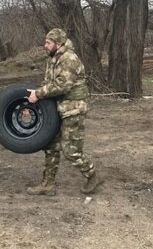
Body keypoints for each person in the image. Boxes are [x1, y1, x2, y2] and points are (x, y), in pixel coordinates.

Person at [25, 28, 103, 195]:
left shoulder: (69, 59)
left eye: (48, 43)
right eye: (45, 42)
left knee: (70, 150)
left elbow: (62, 85)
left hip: (73, 109)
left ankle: (92, 175)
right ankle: (48, 185)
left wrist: (38, 94)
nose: (45, 45)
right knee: (51, 146)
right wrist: (32, 104)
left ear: (58, 44)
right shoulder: (54, 59)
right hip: (58, 108)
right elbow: (48, 83)